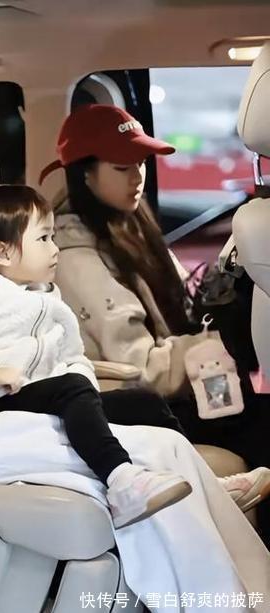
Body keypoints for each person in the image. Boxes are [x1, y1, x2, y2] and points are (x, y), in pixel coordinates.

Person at [0, 182, 270, 529]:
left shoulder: (45, 296)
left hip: (51, 396)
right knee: (71, 387)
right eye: (43, 239)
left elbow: (75, 357)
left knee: (143, 402)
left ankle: (203, 482)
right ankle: (122, 482)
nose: (55, 249)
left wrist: (89, 391)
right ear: (4, 253)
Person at [40, 104, 270, 525]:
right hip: (138, 409)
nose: (137, 177)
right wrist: (218, 343)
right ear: (84, 174)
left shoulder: (130, 228)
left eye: (141, 163)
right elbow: (140, 368)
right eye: (121, 167)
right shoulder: (75, 256)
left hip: (181, 395)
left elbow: (184, 309)